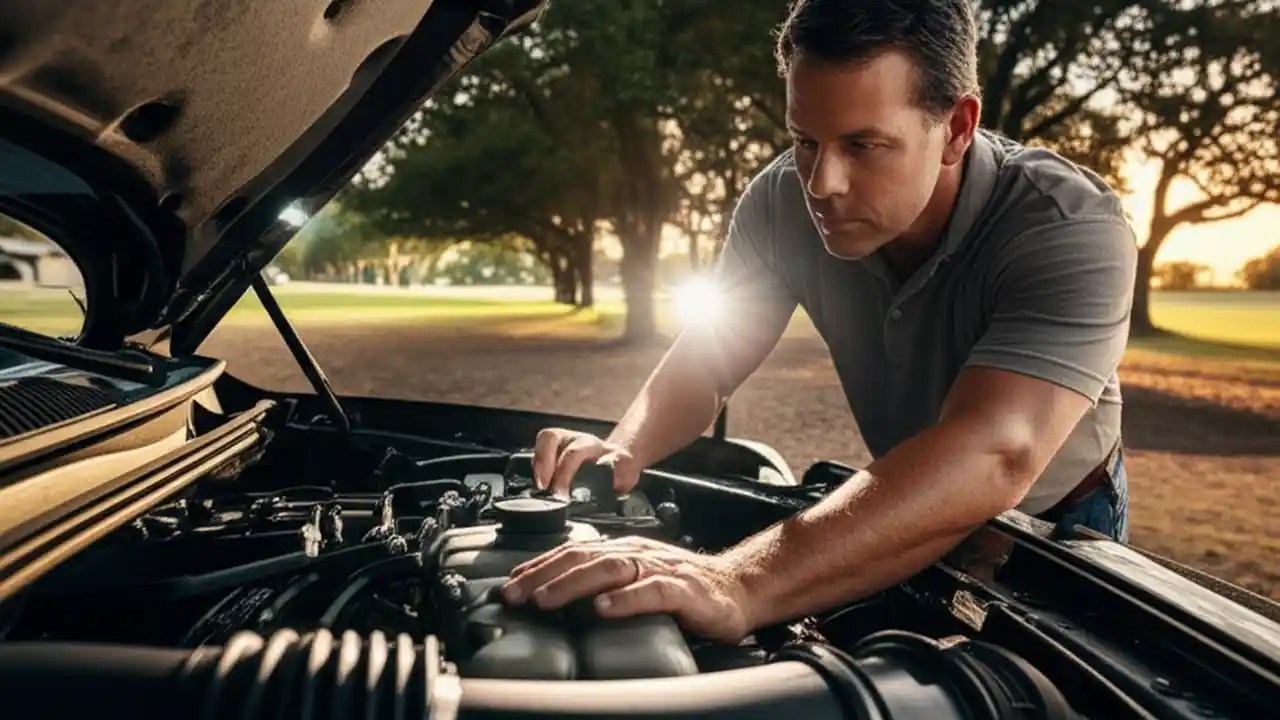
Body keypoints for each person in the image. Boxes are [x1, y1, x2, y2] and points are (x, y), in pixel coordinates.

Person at [501, 0, 1137, 644]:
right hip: (897, 495)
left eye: (863, 145)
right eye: (805, 140)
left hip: (1055, 518)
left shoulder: (1068, 228)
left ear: (957, 127)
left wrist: (738, 580)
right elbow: (711, 355)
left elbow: (995, 453)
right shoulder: (778, 202)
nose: (821, 183)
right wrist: (625, 446)